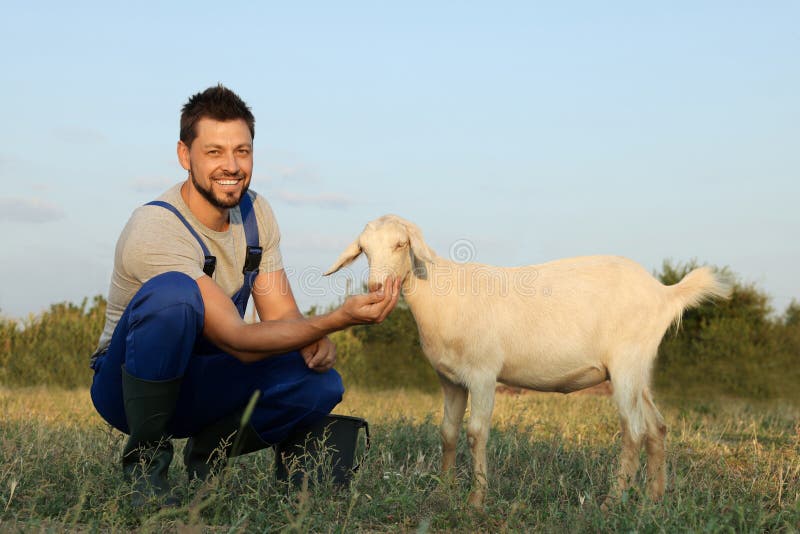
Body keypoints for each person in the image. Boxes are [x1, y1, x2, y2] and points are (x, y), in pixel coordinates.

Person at [89, 84, 399, 506]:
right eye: (214, 152)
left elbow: (283, 315)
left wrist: (311, 336)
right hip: (127, 389)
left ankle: (208, 453)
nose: (231, 166)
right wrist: (337, 319)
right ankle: (146, 471)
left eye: (242, 151)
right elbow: (239, 341)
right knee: (174, 297)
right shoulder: (155, 228)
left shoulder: (257, 213)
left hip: (201, 378)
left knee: (319, 383)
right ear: (185, 156)